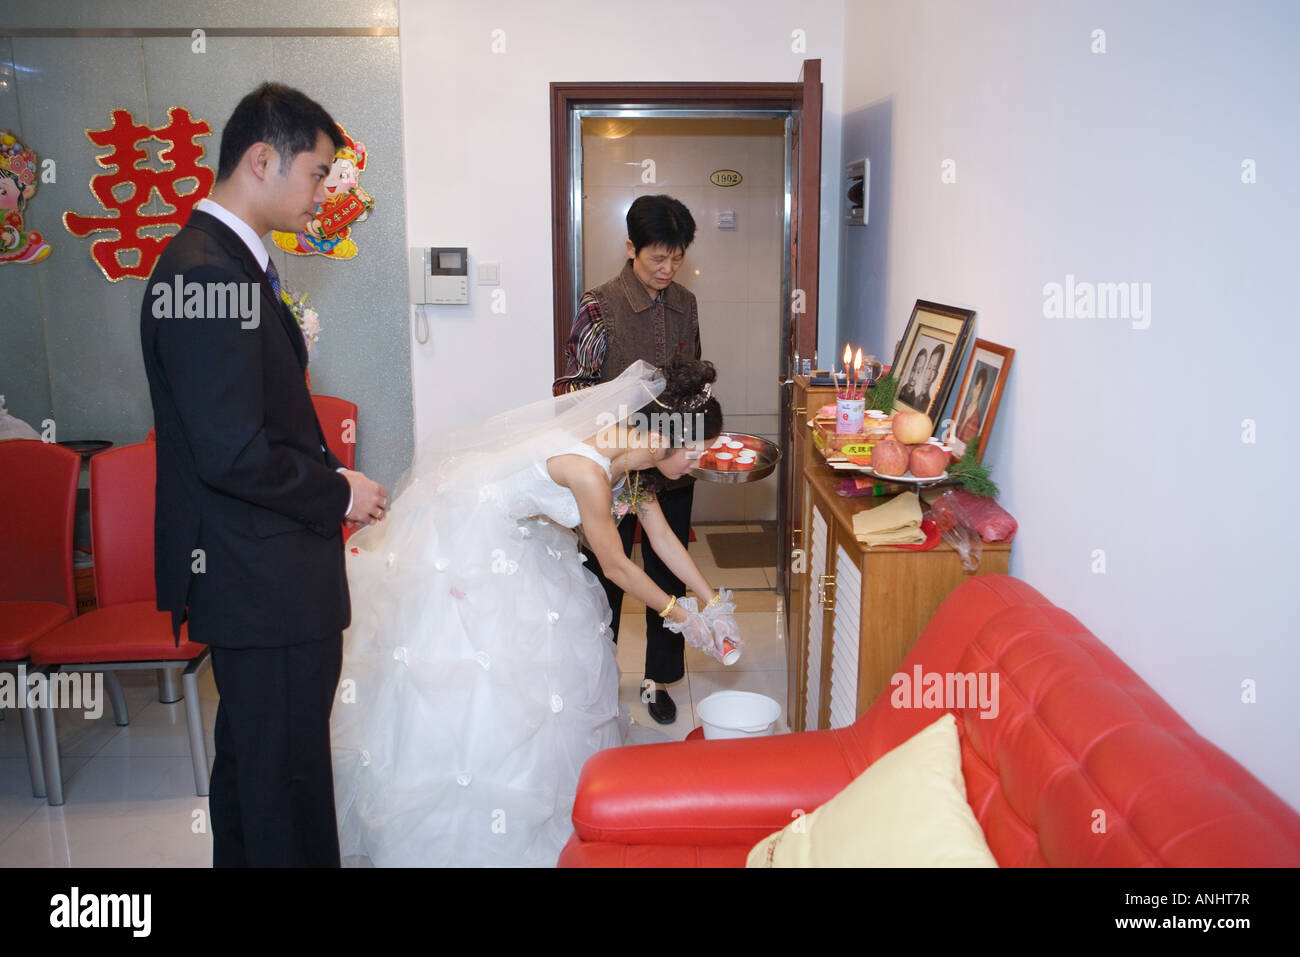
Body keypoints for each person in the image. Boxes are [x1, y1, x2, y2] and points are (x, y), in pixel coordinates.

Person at [331, 356, 741, 866]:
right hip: (470, 533)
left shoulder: (635, 457)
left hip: (523, 535)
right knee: (484, 671)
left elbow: (660, 537)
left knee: (554, 671)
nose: (694, 466)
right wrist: (683, 618)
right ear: (663, 439)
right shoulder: (589, 468)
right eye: (693, 455)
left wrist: (712, 600)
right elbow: (615, 566)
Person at [139, 83, 389, 867]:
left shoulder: (225, 265)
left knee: (256, 773)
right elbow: (233, 452)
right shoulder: (208, 276)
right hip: (263, 578)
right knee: (285, 785)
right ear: (261, 159)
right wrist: (340, 490)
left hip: (260, 574)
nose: (323, 192)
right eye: (317, 173)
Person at [553, 194, 701, 725]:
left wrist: (681, 445)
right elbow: (575, 395)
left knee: (666, 568)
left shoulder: (686, 302)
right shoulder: (600, 305)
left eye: (677, 258)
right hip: (613, 465)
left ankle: (658, 681)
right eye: (657, 258)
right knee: (605, 574)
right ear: (631, 248)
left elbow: (690, 388)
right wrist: (638, 448)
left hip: (670, 462)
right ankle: (598, 680)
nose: (667, 269)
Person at [955, 365, 989, 446]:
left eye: (979, 388)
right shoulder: (965, 407)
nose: (975, 391)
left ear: (981, 392)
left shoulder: (976, 419)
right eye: (975, 386)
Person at [920, 343, 946, 412]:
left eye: (933, 369)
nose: (929, 376)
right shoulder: (912, 396)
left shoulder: (929, 406)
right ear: (925, 368)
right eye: (929, 368)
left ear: (936, 375)